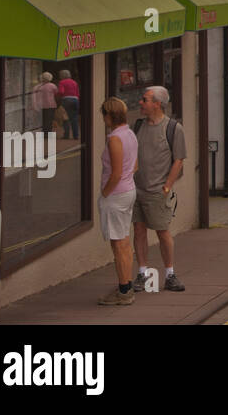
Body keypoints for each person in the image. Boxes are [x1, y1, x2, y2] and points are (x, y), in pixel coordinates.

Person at [131, 86, 187, 293]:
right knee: (138, 230)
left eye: (144, 100)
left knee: (162, 232)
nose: (140, 103)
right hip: (136, 189)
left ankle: (170, 274)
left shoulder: (173, 128)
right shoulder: (137, 126)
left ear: (157, 103)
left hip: (157, 191)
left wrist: (167, 186)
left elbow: (179, 160)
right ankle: (142, 273)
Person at [97, 97, 138, 306]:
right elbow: (135, 166)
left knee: (118, 244)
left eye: (103, 114)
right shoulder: (130, 134)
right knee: (124, 241)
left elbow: (115, 173)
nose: (103, 118)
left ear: (109, 115)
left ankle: (124, 292)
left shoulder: (114, 138)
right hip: (129, 191)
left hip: (116, 195)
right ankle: (127, 284)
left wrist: (104, 193)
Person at [57, 69, 80, 140]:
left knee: (65, 118)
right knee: (74, 118)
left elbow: (61, 92)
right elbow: (77, 93)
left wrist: (57, 96)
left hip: (66, 100)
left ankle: (66, 135)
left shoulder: (62, 82)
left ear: (62, 75)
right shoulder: (74, 82)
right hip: (75, 100)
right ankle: (76, 136)